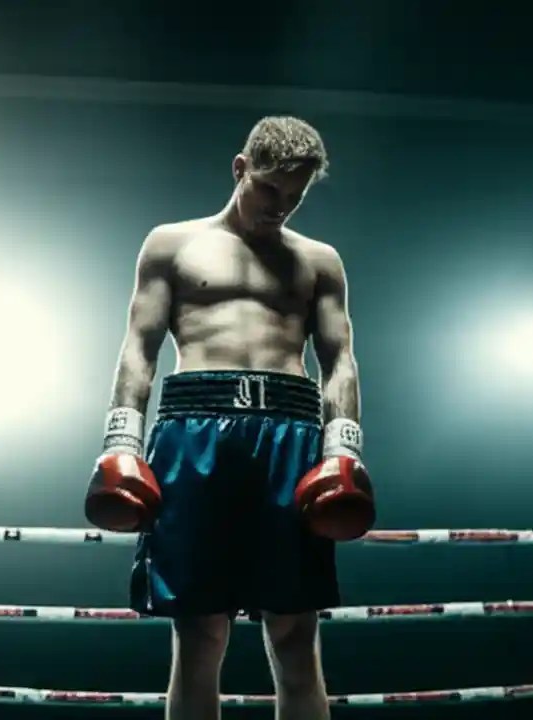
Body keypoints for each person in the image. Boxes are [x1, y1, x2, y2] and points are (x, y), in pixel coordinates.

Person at [85, 115, 374, 720]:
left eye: (294, 197)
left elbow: (339, 360)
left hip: (290, 434)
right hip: (195, 427)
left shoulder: (320, 260)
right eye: (270, 190)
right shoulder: (171, 243)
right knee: (199, 637)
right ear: (241, 169)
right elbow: (138, 349)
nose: (281, 208)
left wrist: (342, 449)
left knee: (296, 639)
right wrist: (121, 441)